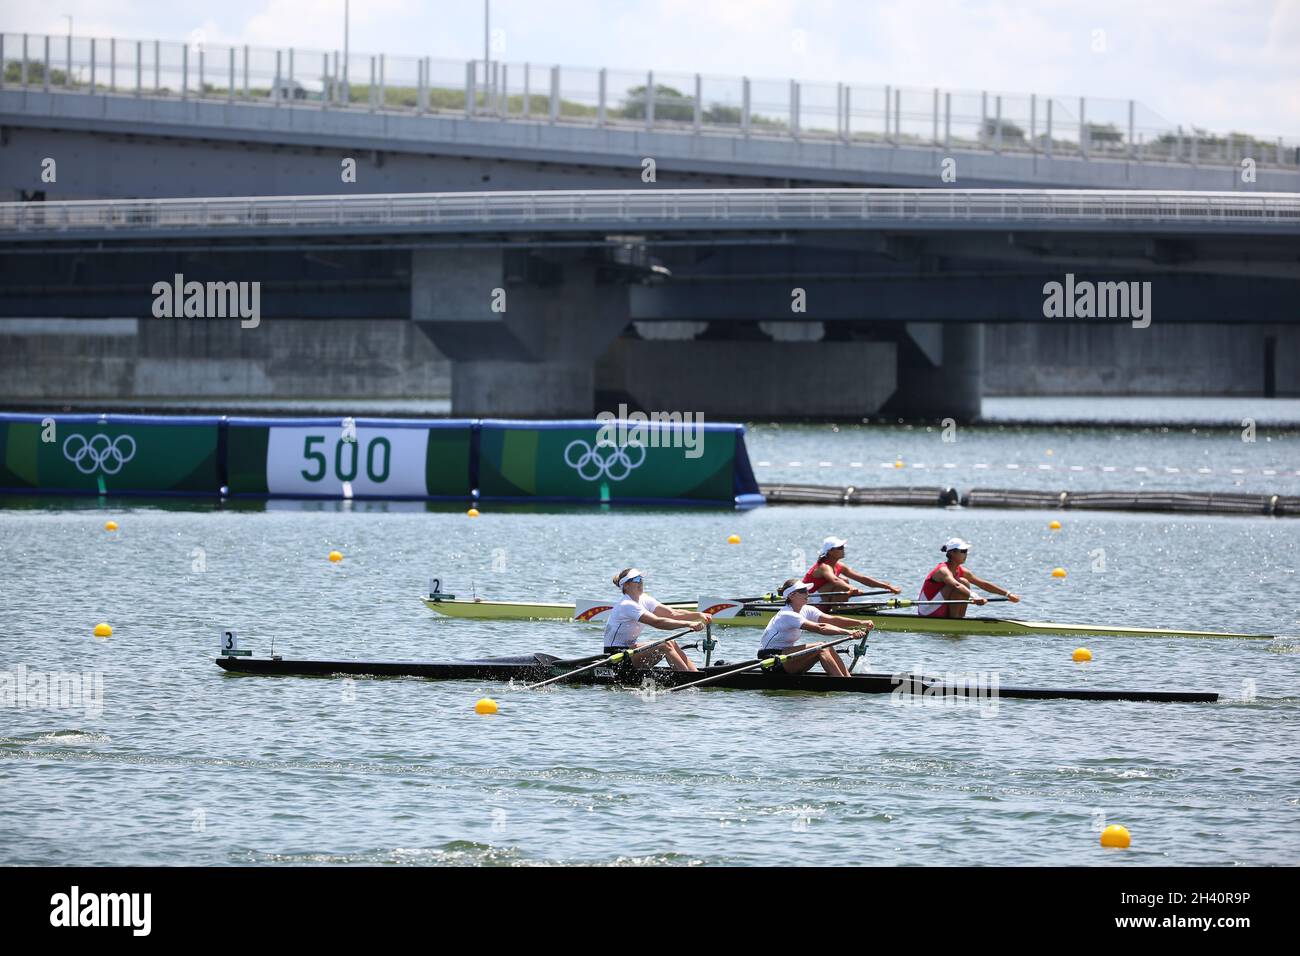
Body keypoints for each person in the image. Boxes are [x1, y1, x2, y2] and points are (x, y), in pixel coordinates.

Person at [758, 581, 873, 676]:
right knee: (821, 647)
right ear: (791, 595)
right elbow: (820, 628)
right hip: (771, 660)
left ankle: (847, 679)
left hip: (786, 656)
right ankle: (842, 684)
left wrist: (860, 622)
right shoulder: (787, 614)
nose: (807, 593)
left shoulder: (806, 609)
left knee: (826, 646)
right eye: (803, 591)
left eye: (807, 590)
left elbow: (830, 620)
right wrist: (849, 632)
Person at [602, 568, 708, 671]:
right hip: (616, 657)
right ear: (626, 585)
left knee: (672, 642)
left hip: (630, 651)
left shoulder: (644, 599)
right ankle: (688, 680)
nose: (641, 582)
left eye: (641, 579)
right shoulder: (626, 604)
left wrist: (699, 615)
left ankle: (695, 674)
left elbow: (672, 613)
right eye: (636, 579)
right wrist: (689, 624)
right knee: (665, 645)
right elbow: (657, 622)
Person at [916, 538, 1021, 619]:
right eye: (963, 551)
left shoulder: (961, 571)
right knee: (962, 582)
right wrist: (975, 596)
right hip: (927, 610)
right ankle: (955, 621)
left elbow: (983, 584)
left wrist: (1008, 594)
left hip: (940, 607)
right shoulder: (942, 570)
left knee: (963, 582)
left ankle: (959, 619)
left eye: (966, 551)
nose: (966, 554)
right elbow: (956, 585)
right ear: (952, 553)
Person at [801, 536, 901, 602]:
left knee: (844, 582)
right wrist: (850, 588)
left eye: (843, 547)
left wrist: (887, 587)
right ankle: (840, 610)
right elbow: (834, 580)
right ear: (830, 552)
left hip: (821, 598)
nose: (843, 549)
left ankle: (841, 608)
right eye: (840, 548)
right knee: (842, 582)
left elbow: (862, 578)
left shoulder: (839, 565)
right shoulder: (824, 567)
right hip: (807, 600)